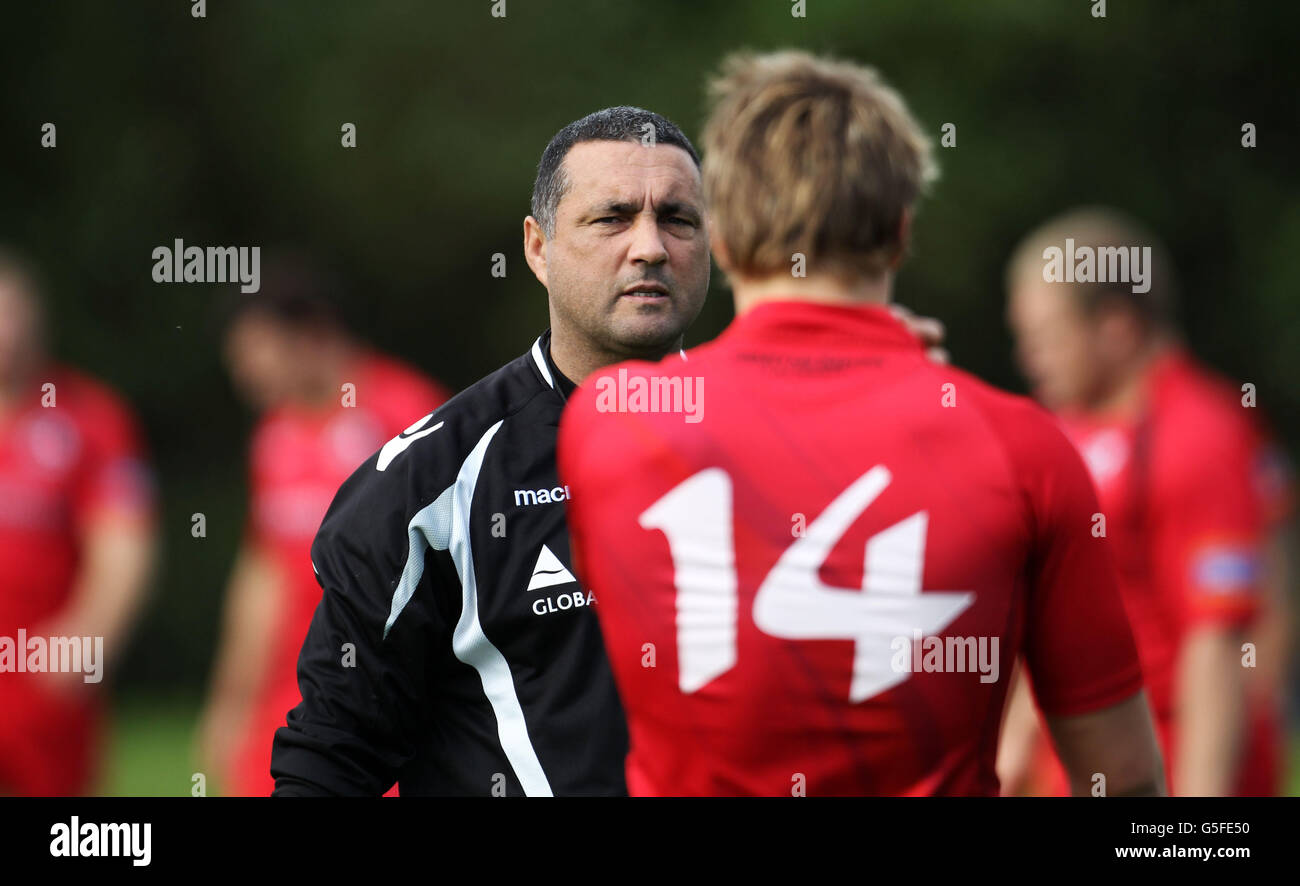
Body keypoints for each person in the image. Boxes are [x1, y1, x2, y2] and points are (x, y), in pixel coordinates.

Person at [269, 103, 955, 796]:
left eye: (678, 220)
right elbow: (331, 755)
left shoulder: (793, 441)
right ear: (538, 247)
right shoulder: (431, 486)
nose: (651, 246)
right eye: (613, 217)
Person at [557, 51, 1165, 796]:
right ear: (901, 231)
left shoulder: (609, 419)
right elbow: (1125, 780)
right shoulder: (1024, 446)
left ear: (718, 238)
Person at [998, 208, 1294, 796]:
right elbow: (1049, 624)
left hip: (1171, 775)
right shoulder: (1067, 432)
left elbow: (1218, 647)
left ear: (1116, 326)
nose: (1031, 360)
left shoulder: (1199, 436)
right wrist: (1011, 759)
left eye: (1047, 338)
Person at [196, 259, 451, 796]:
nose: (245, 372)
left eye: (257, 351)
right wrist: (229, 703)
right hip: (286, 699)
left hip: (379, 694)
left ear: (312, 335)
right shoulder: (274, 435)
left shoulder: (408, 415)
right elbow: (263, 574)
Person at [0, 250, 158, 795]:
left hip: (41, 670)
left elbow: (123, 545)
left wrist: (93, 635)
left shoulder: (91, 418)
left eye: (10, 314)